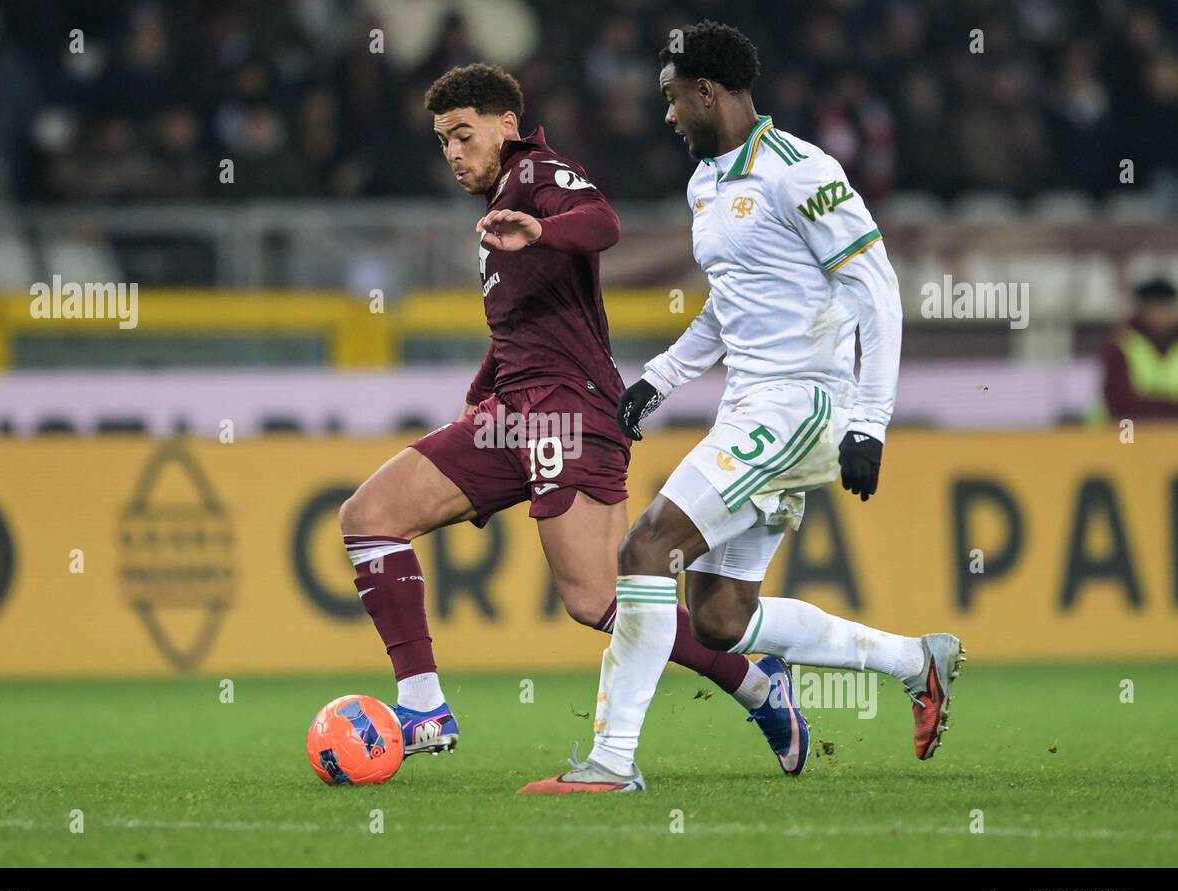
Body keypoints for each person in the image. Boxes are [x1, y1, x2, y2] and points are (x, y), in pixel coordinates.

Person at [522, 21, 963, 794]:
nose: (664, 116)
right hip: (748, 405)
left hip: (802, 406)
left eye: (670, 99)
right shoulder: (707, 183)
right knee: (723, 618)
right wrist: (661, 378)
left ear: (706, 92)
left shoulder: (802, 172)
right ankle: (915, 659)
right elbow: (731, 307)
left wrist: (869, 420)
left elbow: (877, 292)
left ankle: (610, 763)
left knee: (646, 547)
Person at [337, 63, 807, 771]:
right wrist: (479, 389)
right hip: (510, 411)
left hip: (570, 411)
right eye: (442, 141)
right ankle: (425, 705)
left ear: (505, 126)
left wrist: (541, 229)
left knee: (594, 599)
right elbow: (520, 329)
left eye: (464, 135)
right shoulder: (500, 205)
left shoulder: (538, 175)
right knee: (368, 515)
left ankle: (752, 678)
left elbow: (603, 224)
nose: (453, 152)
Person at [1102, 278, 1178, 420]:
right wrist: (1169, 406)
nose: (1159, 316)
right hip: (1129, 432)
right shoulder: (1122, 346)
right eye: (1153, 308)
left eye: (1164, 308)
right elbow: (1120, 401)